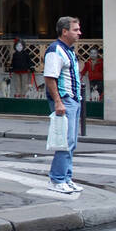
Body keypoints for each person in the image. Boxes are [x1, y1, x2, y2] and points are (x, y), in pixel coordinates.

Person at [44, 16, 83, 194]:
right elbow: (50, 77)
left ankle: (66, 177)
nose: (79, 33)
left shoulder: (68, 50)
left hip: (72, 100)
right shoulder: (55, 50)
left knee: (71, 142)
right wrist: (58, 102)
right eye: (75, 29)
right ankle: (57, 179)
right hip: (65, 100)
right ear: (64, 31)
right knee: (65, 142)